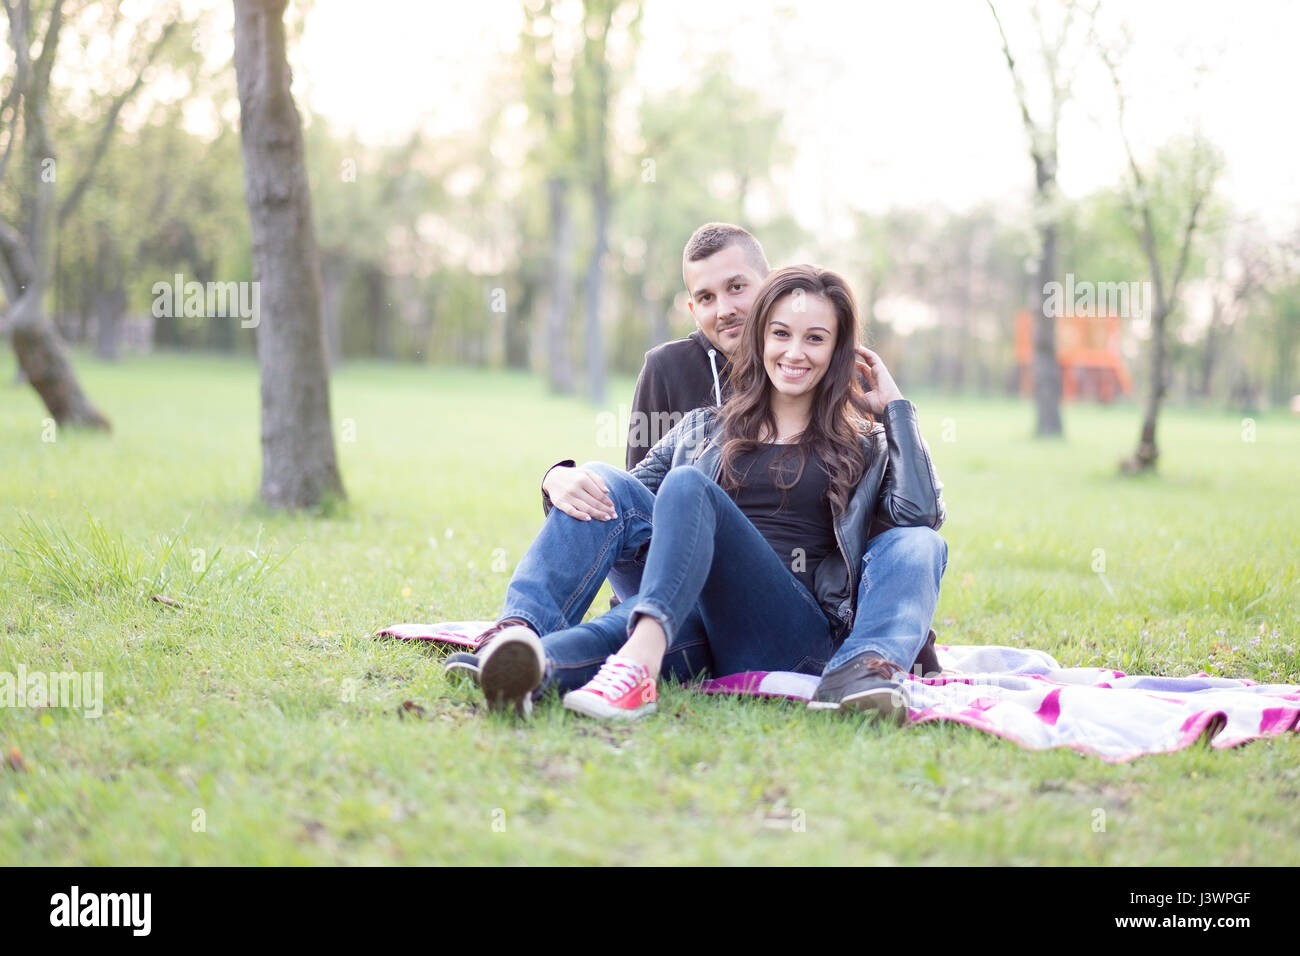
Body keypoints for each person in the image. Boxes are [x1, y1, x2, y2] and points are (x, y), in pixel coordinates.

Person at [469, 264, 948, 722]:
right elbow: (622, 505)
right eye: (781, 333)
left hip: (788, 635)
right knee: (598, 484)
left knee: (688, 486)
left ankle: (643, 661)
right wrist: (557, 476)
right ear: (760, 337)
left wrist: (896, 412)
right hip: (693, 621)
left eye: (815, 338)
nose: (795, 352)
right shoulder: (703, 428)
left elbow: (918, 519)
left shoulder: (866, 443)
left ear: (838, 351)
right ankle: (519, 646)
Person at [625, 222, 770, 469]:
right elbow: (636, 490)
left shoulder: (808, 360)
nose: (724, 311)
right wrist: (554, 479)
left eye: (736, 287)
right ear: (693, 310)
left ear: (771, 284)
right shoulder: (665, 368)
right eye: (706, 298)